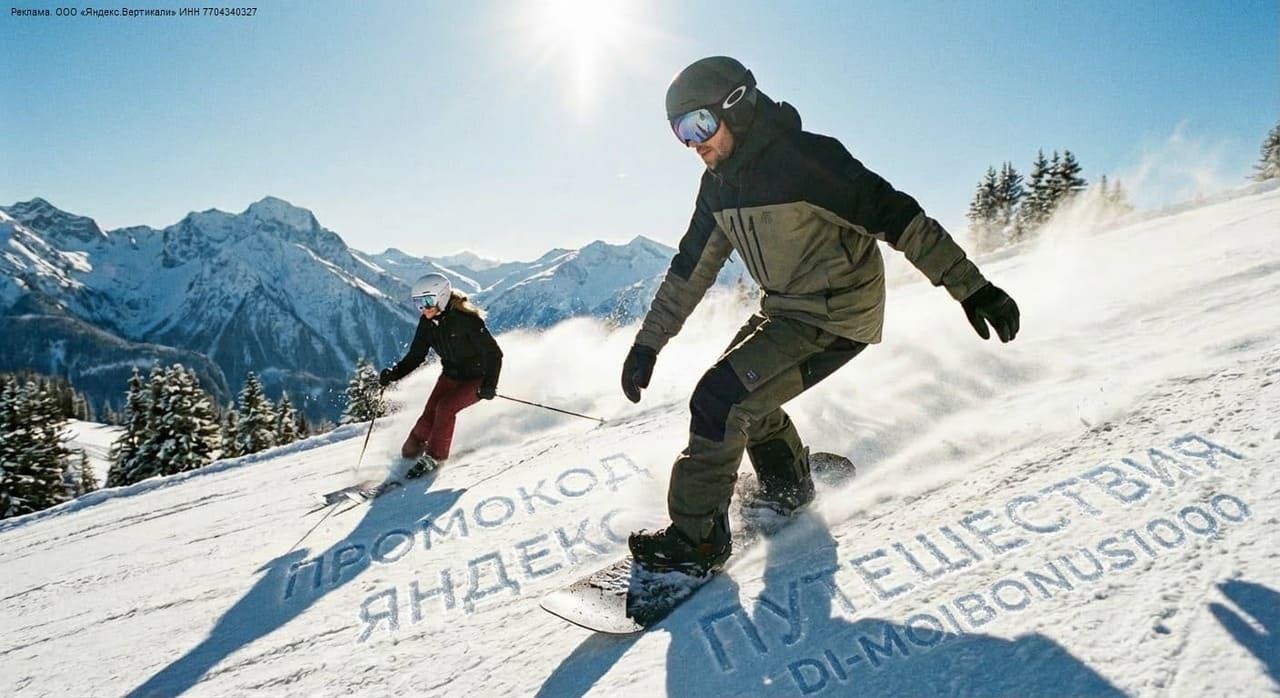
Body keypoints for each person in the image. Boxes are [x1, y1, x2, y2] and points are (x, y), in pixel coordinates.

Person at [621, 56, 1020, 575]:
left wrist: (973, 289)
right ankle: (787, 483)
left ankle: (697, 543)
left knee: (719, 399)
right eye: (680, 132)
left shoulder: (807, 161)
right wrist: (648, 344)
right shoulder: (719, 186)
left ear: (736, 107)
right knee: (742, 394)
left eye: (699, 124)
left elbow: (899, 218)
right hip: (785, 309)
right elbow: (689, 271)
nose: (693, 143)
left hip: (838, 312)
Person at [379, 273, 503, 478]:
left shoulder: (467, 321)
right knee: (426, 420)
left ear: (442, 297)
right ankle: (414, 451)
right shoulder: (427, 323)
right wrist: (394, 374)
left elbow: (494, 354)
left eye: (427, 301)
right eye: (418, 303)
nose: (423, 308)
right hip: (450, 376)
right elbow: (416, 356)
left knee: (445, 408)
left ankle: (435, 457)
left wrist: (490, 384)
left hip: (476, 379)